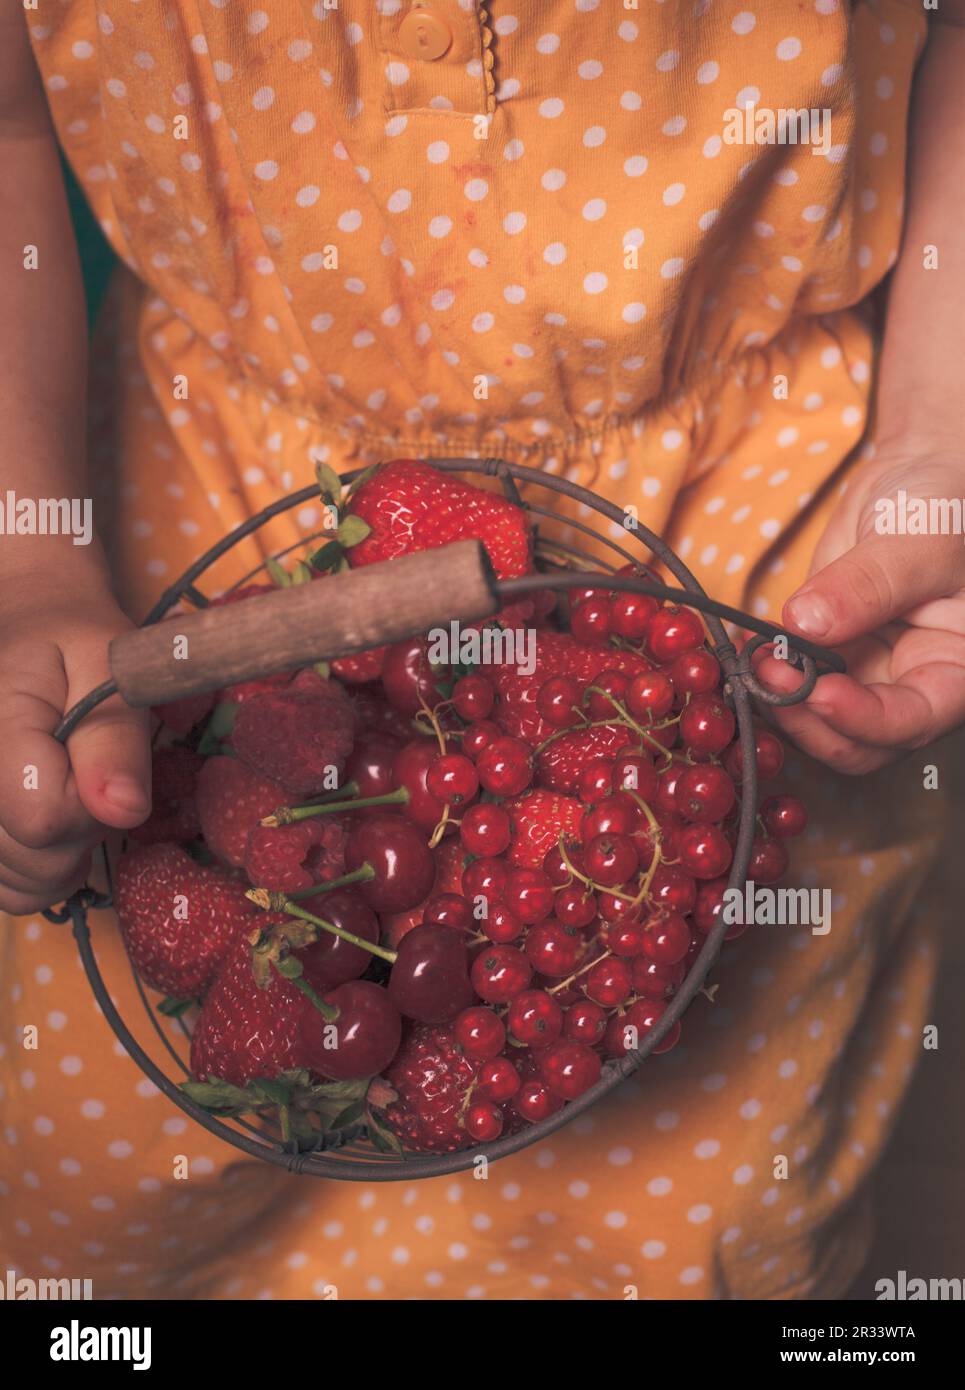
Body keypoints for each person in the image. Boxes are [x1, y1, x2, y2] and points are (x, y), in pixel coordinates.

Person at [1, 0, 961, 1300]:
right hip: (191, 521)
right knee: (118, 1169)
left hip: (747, 533)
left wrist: (937, 436)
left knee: (685, 1210)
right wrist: (29, 557)